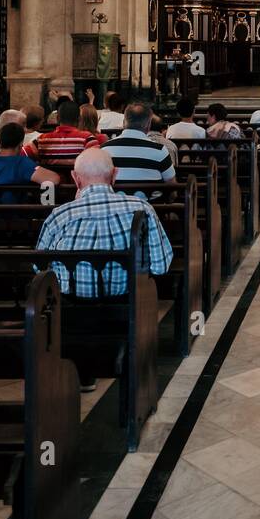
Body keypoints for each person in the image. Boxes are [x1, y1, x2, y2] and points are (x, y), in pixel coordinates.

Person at [35, 148, 173, 387]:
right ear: (114, 175)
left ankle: (81, 374)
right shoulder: (141, 209)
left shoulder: (60, 215)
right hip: (125, 303)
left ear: (75, 178)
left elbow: (39, 269)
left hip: (71, 308)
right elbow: (161, 266)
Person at [108, 102, 176, 191]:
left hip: (115, 203)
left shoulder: (106, 149)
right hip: (151, 204)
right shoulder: (159, 150)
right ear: (148, 125)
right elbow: (171, 185)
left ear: (124, 123)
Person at [34, 100, 100, 162]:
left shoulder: (41, 140)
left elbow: (24, 155)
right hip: (78, 174)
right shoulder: (88, 139)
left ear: (57, 118)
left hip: (46, 174)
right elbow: (97, 162)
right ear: (79, 119)